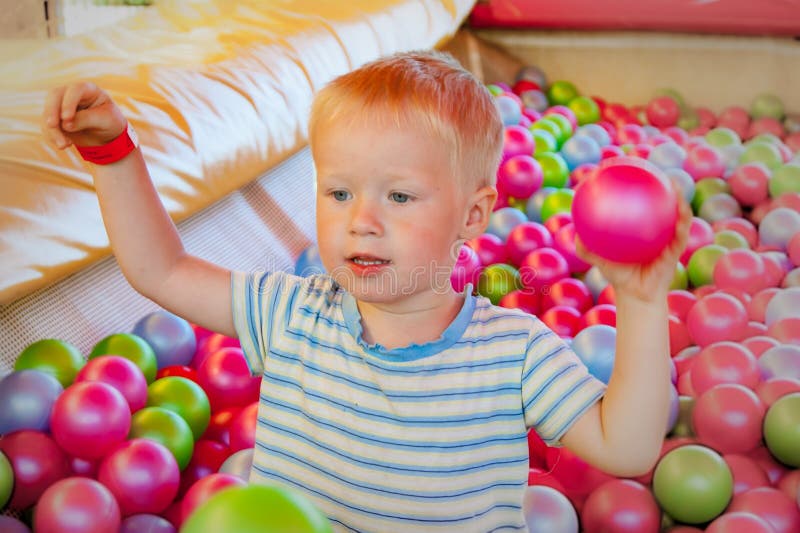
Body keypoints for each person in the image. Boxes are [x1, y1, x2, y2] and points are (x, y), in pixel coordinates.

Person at [42, 50, 690, 531]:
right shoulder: (289, 314)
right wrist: (115, 156)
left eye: (399, 195)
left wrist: (639, 300)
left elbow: (628, 447)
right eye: (339, 191)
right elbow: (160, 269)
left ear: (472, 215)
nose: (362, 220)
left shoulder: (513, 351)